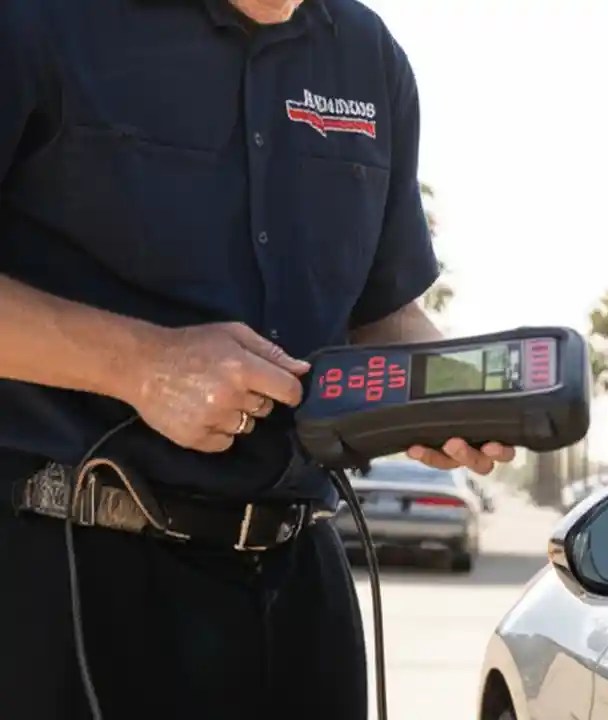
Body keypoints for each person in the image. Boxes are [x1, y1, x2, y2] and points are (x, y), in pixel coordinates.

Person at [0, 1, 513, 718]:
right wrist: (141, 366)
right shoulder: (37, 19)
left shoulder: (369, 55)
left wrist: (444, 390)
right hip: (68, 581)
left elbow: (380, 311)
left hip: (302, 586)